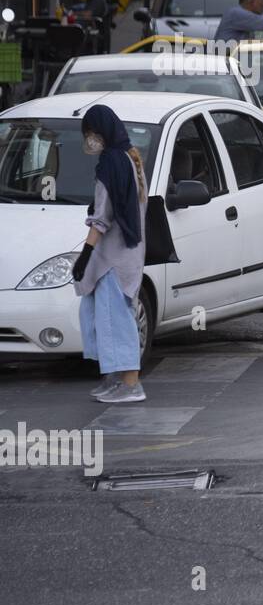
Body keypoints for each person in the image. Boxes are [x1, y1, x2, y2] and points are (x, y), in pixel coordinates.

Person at [73, 105, 149, 404]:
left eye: (90, 134)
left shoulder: (110, 163)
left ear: (100, 132)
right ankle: (115, 379)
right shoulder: (129, 157)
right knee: (99, 316)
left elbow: (102, 217)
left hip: (112, 259)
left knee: (114, 319)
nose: (89, 141)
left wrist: (84, 255)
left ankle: (131, 385)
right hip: (124, 255)